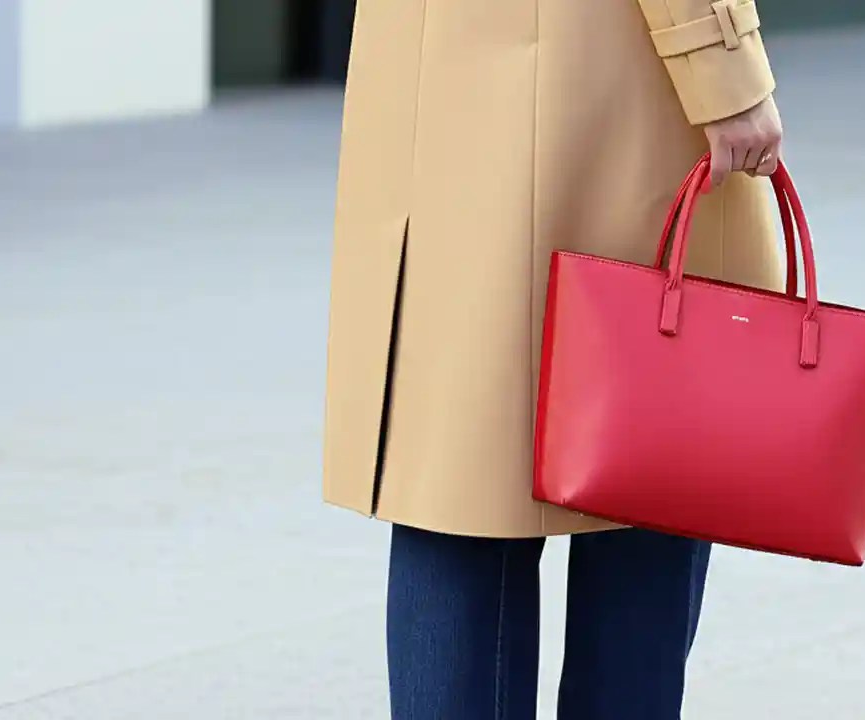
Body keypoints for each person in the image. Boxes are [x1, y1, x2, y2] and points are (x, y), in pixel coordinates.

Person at [323, 0, 786, 717]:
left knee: (460, 481)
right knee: (653, 465)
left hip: (439, 86)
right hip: (607, 81)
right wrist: (723, 64)